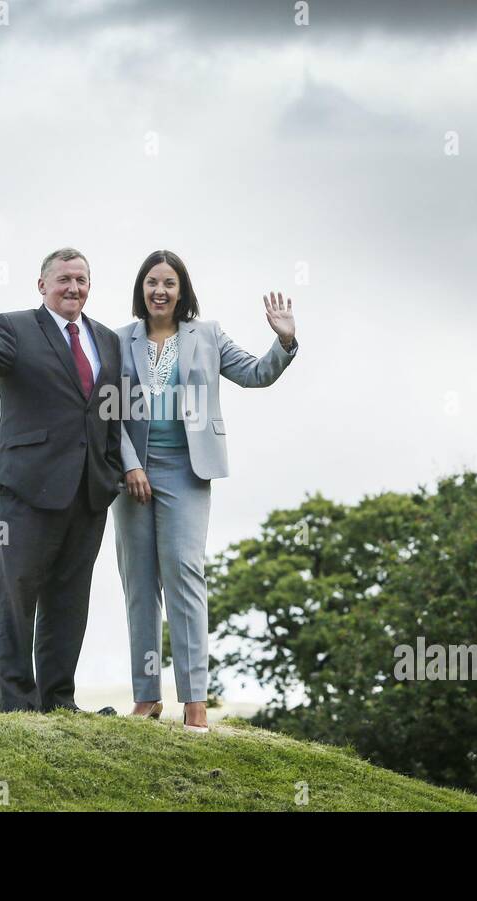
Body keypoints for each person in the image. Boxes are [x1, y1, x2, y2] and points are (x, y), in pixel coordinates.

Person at [114, 250, 298, 732]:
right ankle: (147, 697)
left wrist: (284, 340)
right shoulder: (117, 340)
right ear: (141, 289)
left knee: (185, 581)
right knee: (139, 588)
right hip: (131, 474)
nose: (160, 290)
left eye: (169, 283)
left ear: (182, 290)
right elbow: (104, 410)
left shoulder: (208, 335)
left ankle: (194, 703)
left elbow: (256, 374)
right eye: (152, 282)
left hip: (187, 471)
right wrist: (130, 465)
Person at [0, 247, 122, 714]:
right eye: (63, 279)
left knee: (69, 600)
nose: (73, 287)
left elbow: (111, 412)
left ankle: (59, 702)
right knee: (16, 599)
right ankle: (20, 705)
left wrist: (113, 470)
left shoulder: (107, 340)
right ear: (42, 285)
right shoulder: (15, 327)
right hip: (26, 489)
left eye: (81, 279)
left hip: (88, 492)